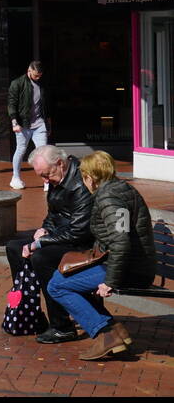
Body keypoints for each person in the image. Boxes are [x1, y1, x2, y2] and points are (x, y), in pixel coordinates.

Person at [46, 151, 154, 360]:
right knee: (61, 278)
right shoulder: (118, 189)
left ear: (91, 177)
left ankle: (105, 333)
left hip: (130, 269)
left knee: (56, 286)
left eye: (84, 176)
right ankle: (114, 329)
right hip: (128, 263)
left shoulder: (109, 198)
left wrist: (110, 282)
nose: (83, 181)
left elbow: (121, 242)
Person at [4, 145, 96, 344]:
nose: (45, 181)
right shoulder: (58, 177)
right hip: (60, 236)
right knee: (14, 247)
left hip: (82, 243)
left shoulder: (81, 184)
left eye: (46, 175)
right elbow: (54, 213)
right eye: (41, 176)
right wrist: (43, 229)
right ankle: (31, 314)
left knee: (41, 258)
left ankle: (62, 326)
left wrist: (41, 242)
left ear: (60, 164)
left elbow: (79, 231)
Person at [8, 61, 49, 190]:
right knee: (21, 150)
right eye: (36, 75)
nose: (38, 78)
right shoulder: (17, 83)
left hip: (39, 123)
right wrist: (15, 122)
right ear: (29, 70)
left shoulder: (42, 84)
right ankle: (15, 177)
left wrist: (48, 123)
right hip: (22, 124)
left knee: (44, 153)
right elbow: (11, 103)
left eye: (40, 76)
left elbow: (45, 105)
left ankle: (47, 180)